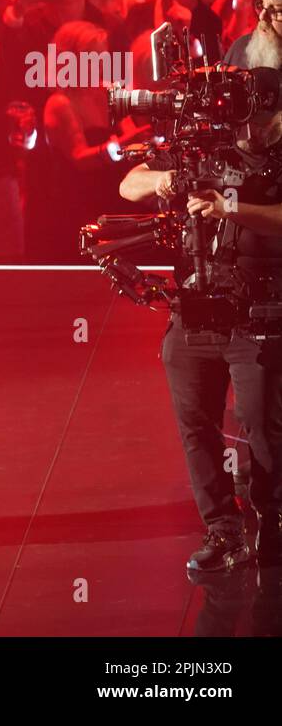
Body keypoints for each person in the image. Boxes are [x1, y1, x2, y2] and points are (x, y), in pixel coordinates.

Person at [118, 75, 282, 573]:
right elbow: (129, 184)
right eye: (242, 119)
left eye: (259, 118)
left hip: (259, 313)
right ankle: (222, 530)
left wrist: (227, 205)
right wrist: (164, 181)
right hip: (194, 310)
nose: (249, 129)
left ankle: (270, 523)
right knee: (197, 428)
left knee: (264, 427)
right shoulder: (206, 148)